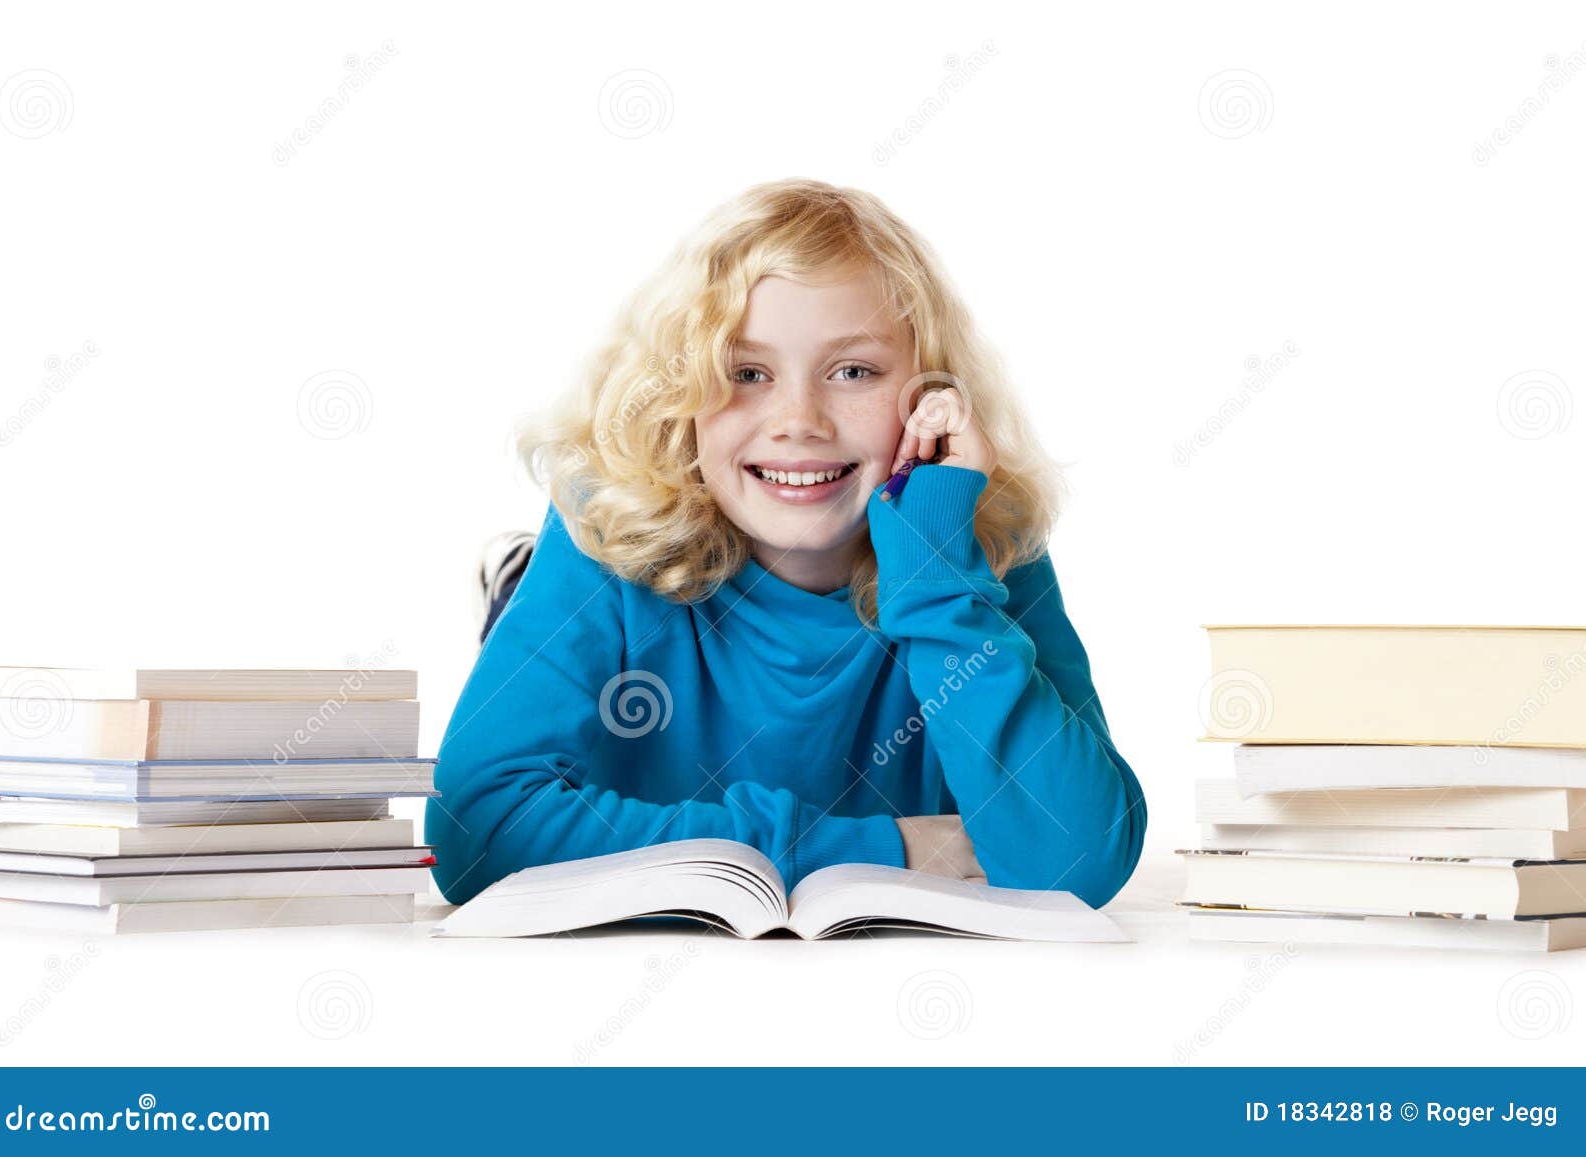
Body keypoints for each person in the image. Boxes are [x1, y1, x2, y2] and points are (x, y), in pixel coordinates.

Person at [428, 179, 1146, 909]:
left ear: (930, 398)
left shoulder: (969, 546)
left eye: (853, 371)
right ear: (682, 399)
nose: (798, 420)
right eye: (745, 373)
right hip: (640, 573)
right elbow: (474, 831)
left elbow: (1079, 856)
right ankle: (522, 589)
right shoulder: (603, 531)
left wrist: (936, 573)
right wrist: (896, 847)